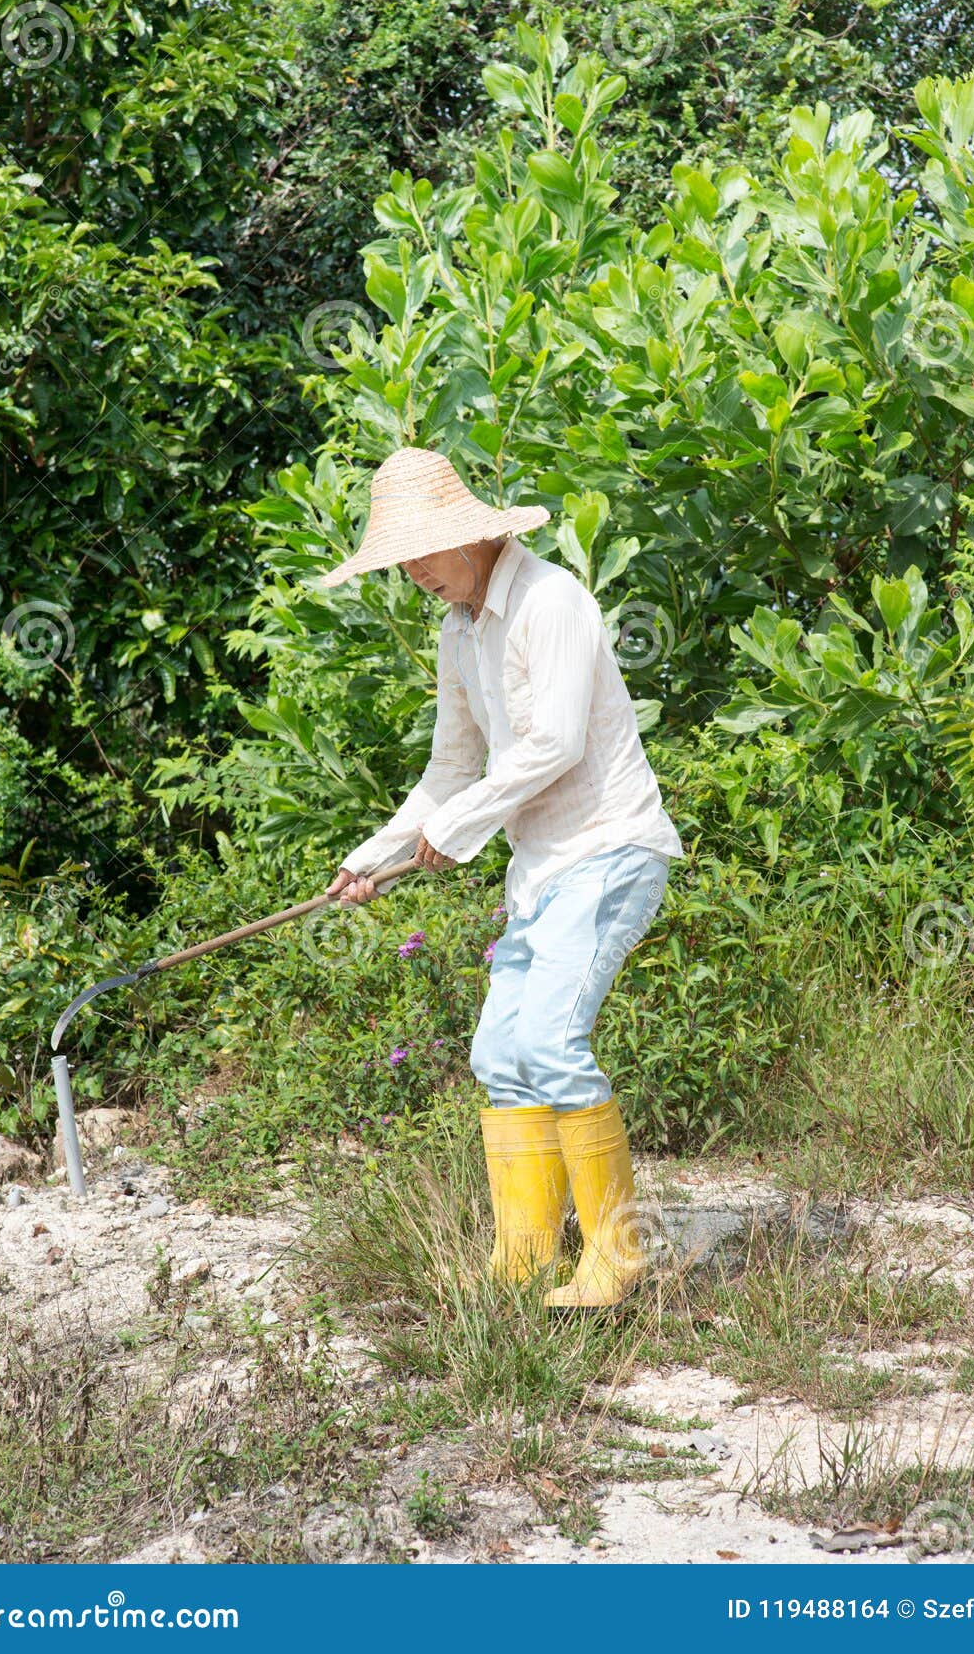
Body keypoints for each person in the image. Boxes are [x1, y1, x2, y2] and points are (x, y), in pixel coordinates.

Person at [322, 444, 684, 1308]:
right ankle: (524, 1256)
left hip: (609, 849)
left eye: (420, 553)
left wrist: (456, 831)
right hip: (541, 870)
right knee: (500, 1054)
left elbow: (556, 744)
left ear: (470, 537)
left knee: (551, 1044)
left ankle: (619, 1258)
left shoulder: (552, 602)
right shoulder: (459, 631)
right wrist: (369, 856)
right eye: (399, 560)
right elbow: (450, 769)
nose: (413, 573)